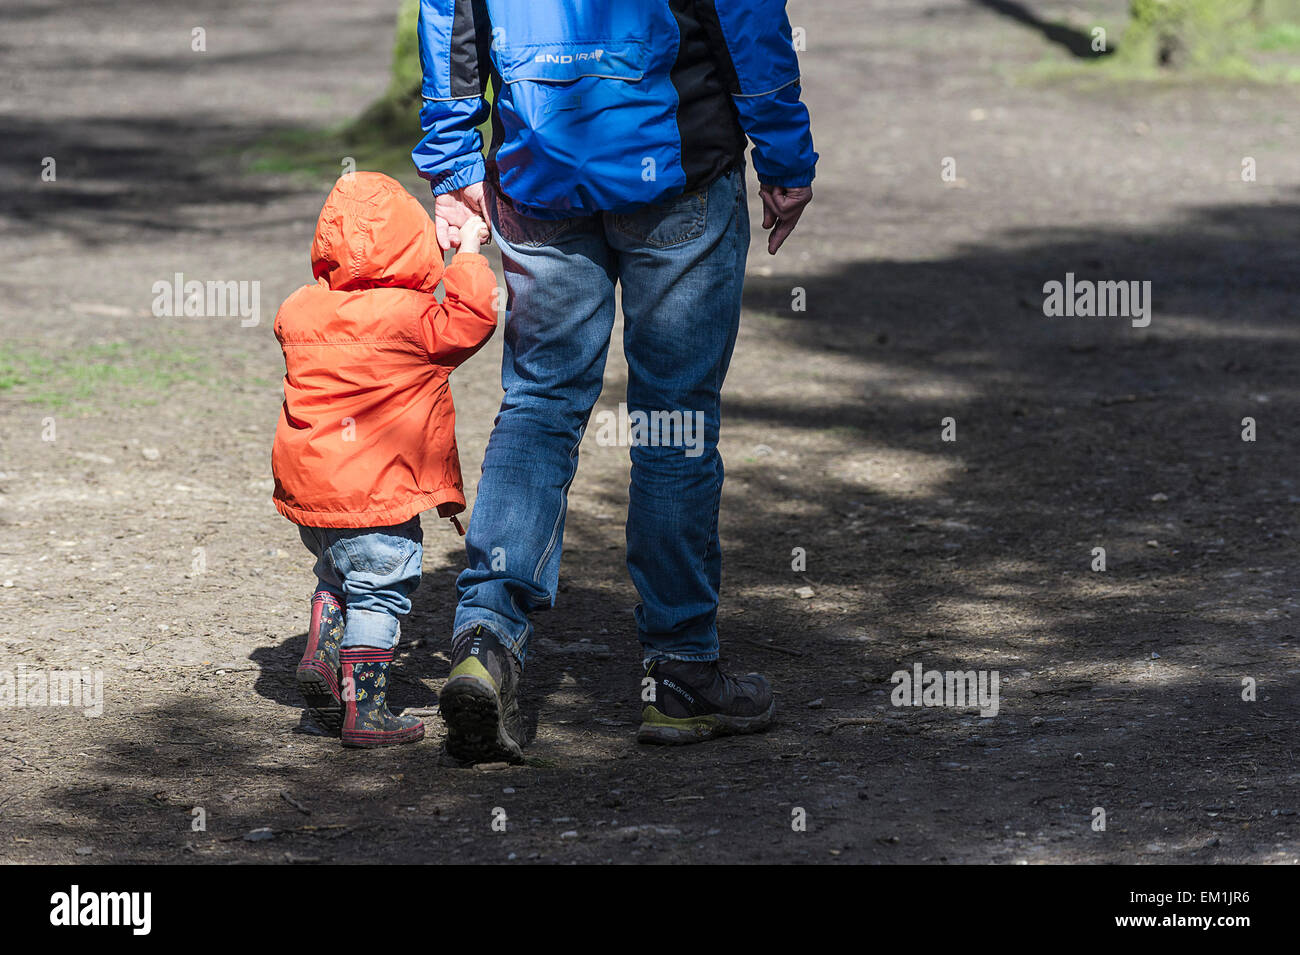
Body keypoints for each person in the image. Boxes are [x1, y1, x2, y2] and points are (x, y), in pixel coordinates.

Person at [414, 1, 817, 762]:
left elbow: (450, 16)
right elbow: (747, 15)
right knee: (674, 421)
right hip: (680, 167)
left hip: (539, 170)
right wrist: (785, 152)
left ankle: (487, 639)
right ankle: (682, 673)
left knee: (538, 404)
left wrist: (453, 162)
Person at [271, 171, 496, 747]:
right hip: (379, 490)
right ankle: (364, 709)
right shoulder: (412, 319)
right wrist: (466, 254)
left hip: (314, 491)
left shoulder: (299, 310)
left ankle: (322, 653)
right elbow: (471, 322)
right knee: (378, 591)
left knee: (337, 573)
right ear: (413, 243)